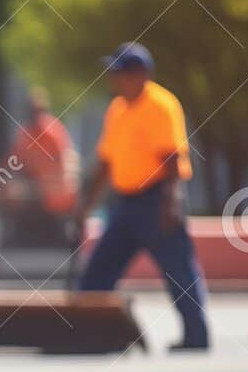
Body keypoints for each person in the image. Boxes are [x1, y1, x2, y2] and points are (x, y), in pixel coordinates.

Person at [77, 42, 209, 352]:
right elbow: (106, 162)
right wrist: (86, 205)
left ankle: (196, 337)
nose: (114, 80)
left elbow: (173, 160)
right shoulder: (118, 110)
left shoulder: (161, 105)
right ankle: (88, 331)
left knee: (178, 270)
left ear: (141, 74)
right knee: (99, 268)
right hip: (126, 204)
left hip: (158, 200)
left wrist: (171, 202)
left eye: (120, 73)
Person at [0, 88, 78, 248]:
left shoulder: (52, 131)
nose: (33, 116)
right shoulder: (26, 133)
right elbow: (15, 161)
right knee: (9, 191)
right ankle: (13, 243)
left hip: (54, 190)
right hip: (37, 187)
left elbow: (61, 165)